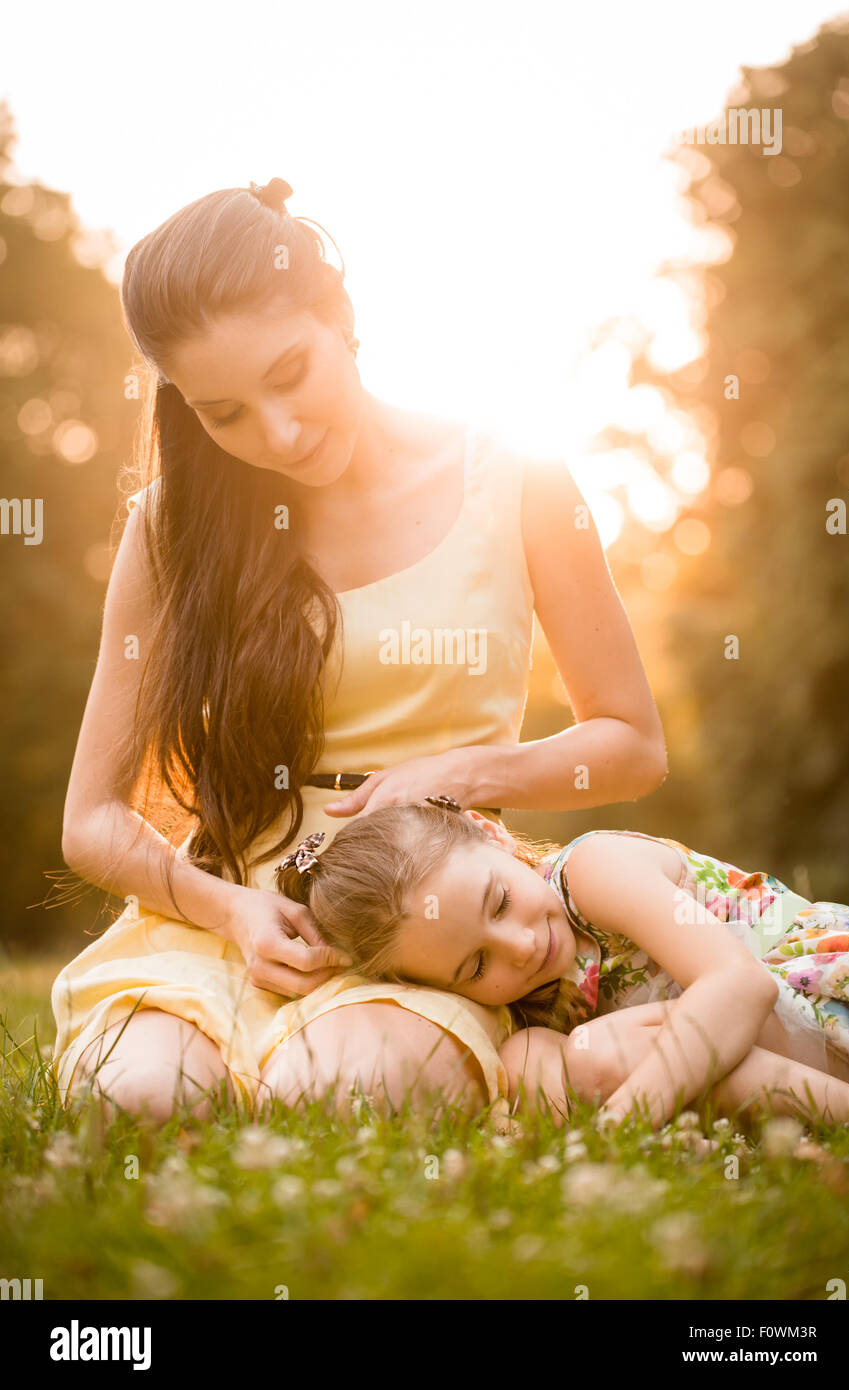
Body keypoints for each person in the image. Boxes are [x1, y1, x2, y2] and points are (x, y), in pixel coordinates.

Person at [51, 176, 667, 1125]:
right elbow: (92, 821)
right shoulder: (173, 525)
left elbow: (631, 743)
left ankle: (506, 1059)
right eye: (225, 413)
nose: (280, 432)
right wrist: (234, 914)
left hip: (428, 925)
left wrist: (463, 768)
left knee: (341, 1096)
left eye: (289, 373)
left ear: (340, 313)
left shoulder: (516, 475)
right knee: (142, 1102)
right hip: (222, 911)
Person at [270, 797, 849, 1129]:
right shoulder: (528, 1015)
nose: (521, 946)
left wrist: (627, 1123)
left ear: (492, 836)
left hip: (822, 1001)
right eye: (475, 966)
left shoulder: (592, 871)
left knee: (609, 1049)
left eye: (499, 902)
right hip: (780, 1054)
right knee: (527, 1060)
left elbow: (739, 985)